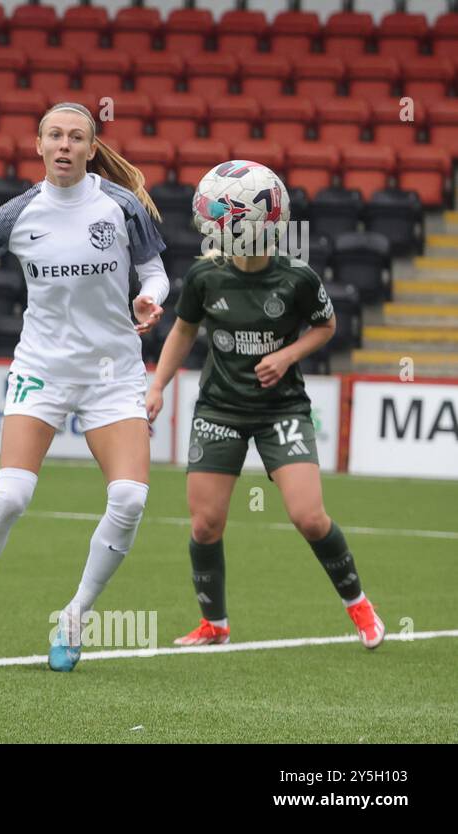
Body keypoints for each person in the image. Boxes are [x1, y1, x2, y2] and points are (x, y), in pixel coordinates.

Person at [0, 101, 169, 672]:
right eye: (53, 135)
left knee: (129, 499)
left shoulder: (122, 205)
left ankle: (76, 615)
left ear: (90, 147)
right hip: (41, 369)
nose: (63, 145)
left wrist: (153, 298)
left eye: (75, 137)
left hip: (112, 374)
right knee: (11, 496)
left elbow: (155, 270)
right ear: (38, 145)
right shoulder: (16, 213)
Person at [146, 178, 385, 649]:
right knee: (205, 524)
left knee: (309, 517)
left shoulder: (297, 277)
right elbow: (183, 331)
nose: (213, 231)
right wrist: (157, 386)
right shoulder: (203, 276)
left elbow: (327, 326)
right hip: (219, 408)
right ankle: (214, 623)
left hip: (282, 410)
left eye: (222, 221)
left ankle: (359, 605)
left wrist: (288, 355)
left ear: (254, 224)